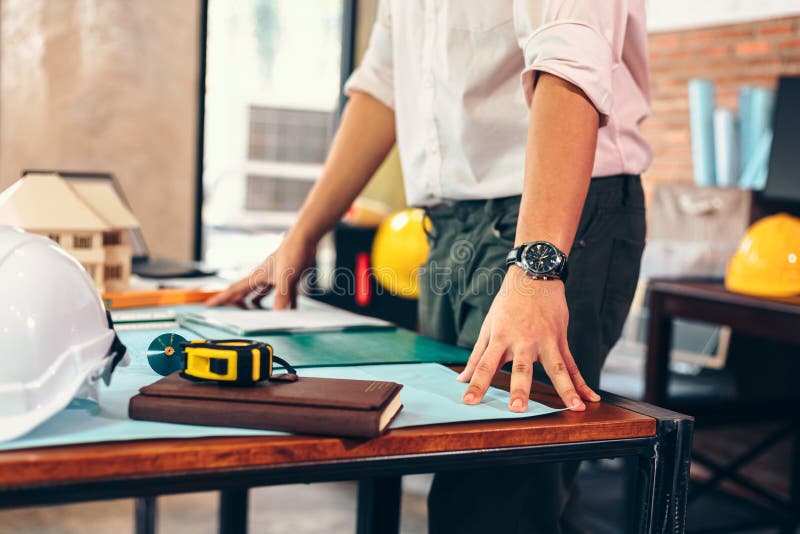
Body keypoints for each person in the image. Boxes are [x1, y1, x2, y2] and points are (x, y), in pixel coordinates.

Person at [209, 1, 651, 532]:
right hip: (450, 227)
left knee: (486, 501)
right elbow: (383, 86)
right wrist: (303, 234)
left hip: (551, 220)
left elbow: (569, 62)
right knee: (517, 486)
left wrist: (537, 267)